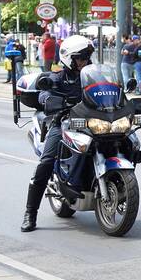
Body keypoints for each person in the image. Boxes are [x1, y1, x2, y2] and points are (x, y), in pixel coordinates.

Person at [21, 35, 93, 231]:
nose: (84, 61)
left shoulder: (93, 75)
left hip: (92, 122)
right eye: (80, 57)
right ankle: (30, 213)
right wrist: (49, 100)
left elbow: (110, 89)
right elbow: (45, 93)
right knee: (46, 162)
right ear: (69, 58)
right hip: (62, 123)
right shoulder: (58, 77)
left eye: (87, 57)